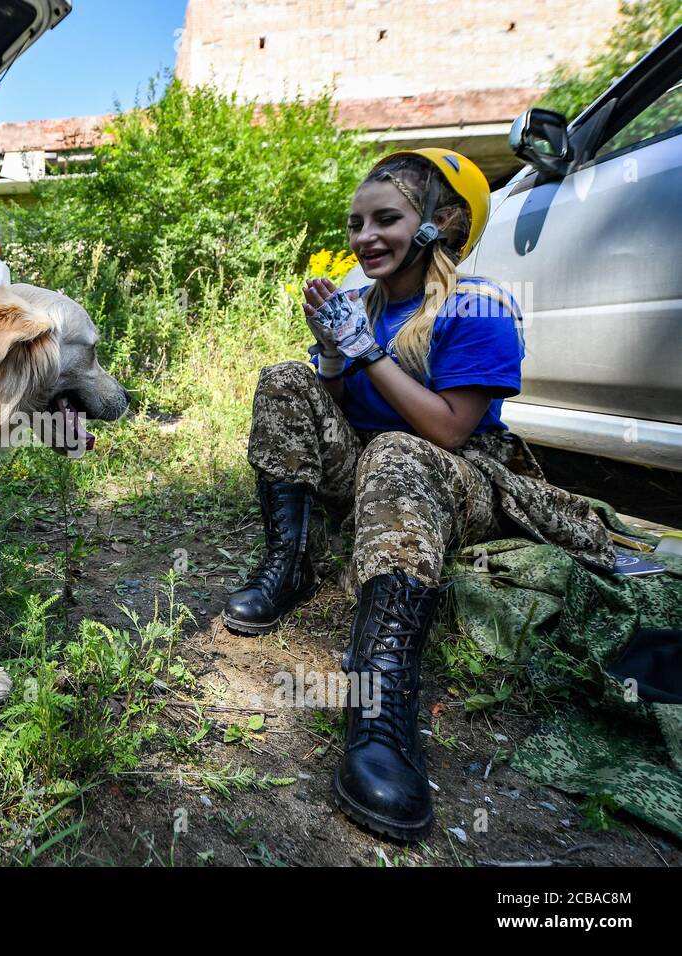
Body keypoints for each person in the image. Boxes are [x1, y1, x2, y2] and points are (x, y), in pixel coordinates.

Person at [222, 148, 616, 841]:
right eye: (355, 223)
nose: (364, 237)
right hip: (374, 472)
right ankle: (290, 563)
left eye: (386, 220)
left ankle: (380, 700)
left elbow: (450, 432)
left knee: (399, 449)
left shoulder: (477, 302)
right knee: (286, 376)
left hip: (458, 478)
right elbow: (336, 415)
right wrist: (336, 357)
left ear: (436, 225)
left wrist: (370, 351)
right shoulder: (358, 301)